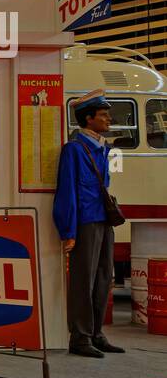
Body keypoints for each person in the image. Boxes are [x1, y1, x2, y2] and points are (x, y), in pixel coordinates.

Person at [53, 89, 124, 358]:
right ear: (88, 118)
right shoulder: (74, 150)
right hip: (85, 221)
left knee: (105, 277)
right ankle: (80, 336)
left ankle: (96, 333)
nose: (108, 119)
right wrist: (68, 230)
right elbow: (67, 191)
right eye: (103, 115)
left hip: (103, 220)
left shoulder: (101, 147)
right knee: (84, 280)